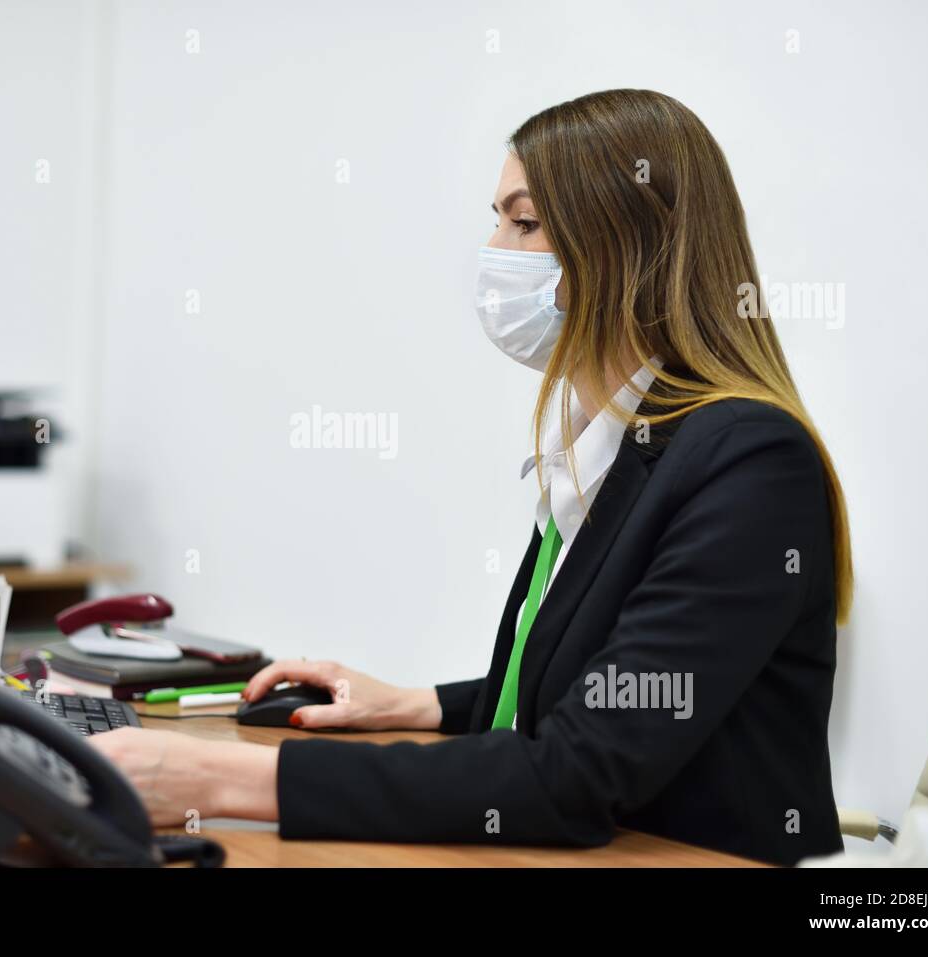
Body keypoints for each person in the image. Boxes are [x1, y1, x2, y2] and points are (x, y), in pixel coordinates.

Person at [90, 89, 851, 866]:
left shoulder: (749, 460)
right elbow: (576, 687)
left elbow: (578, 769)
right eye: (497, 217)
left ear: (630, 248)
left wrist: (220, 777)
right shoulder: (609, 440)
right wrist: (414, 702)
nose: (493, 249)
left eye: (523, 223)